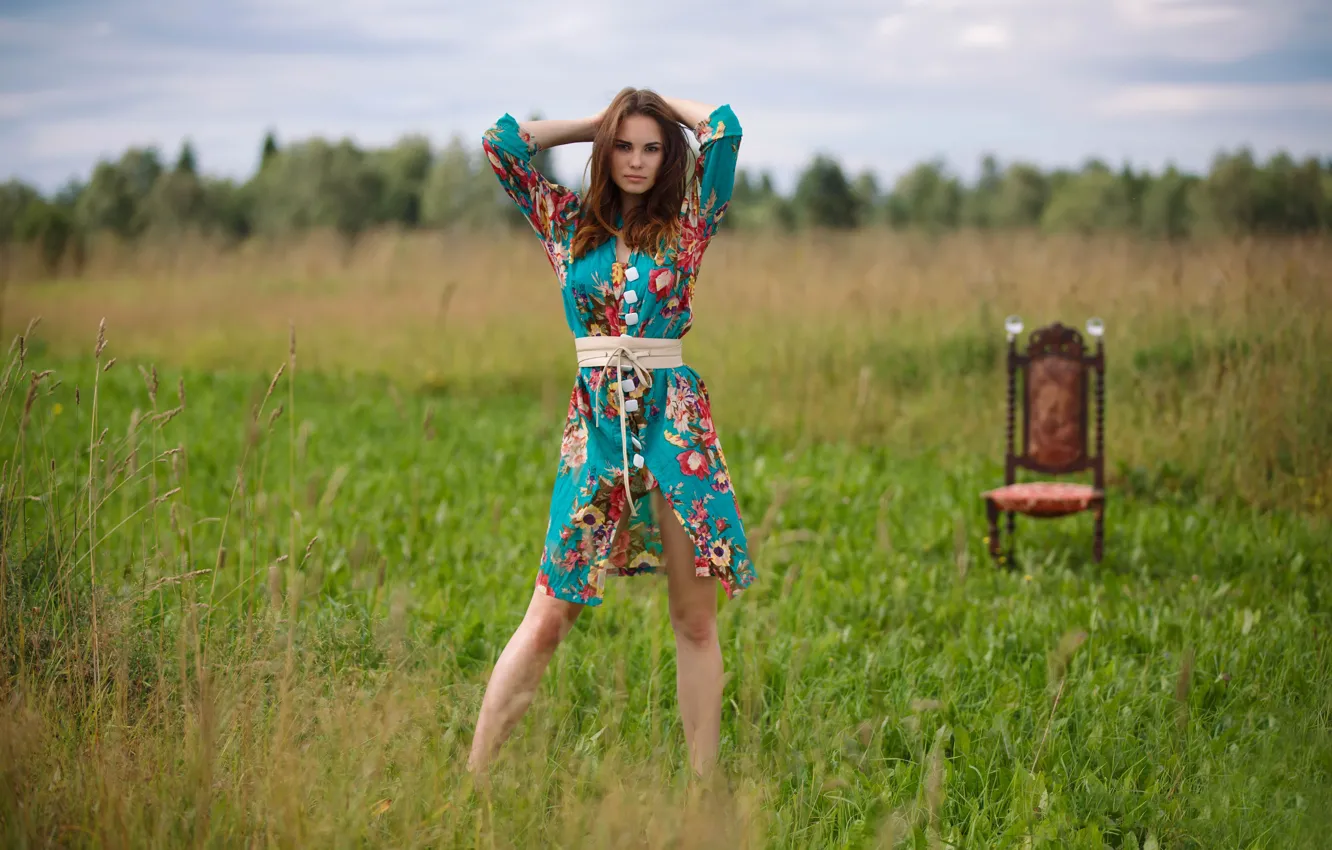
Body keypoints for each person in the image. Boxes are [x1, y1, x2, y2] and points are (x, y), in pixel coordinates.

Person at [467, 87, 756, 778]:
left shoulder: (690, 223)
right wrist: (595, 123)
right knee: (546, 616)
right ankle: (472, 782)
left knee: (694, 618)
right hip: (595, 433)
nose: (635, 160)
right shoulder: (567, 224)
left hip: (674, 433)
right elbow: (501, 144)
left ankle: (701, 791)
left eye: (651, 148)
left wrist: (663, 109)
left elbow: (725, 128)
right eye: (622, 146)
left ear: (668, 156)